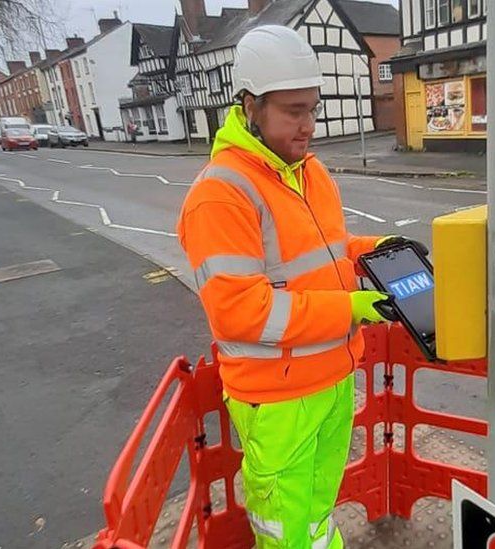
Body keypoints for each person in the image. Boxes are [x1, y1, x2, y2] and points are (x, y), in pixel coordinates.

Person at [177, 25, 425, 548]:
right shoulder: (221, 195)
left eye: (313, 108)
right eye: (294, 111)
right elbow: (243, 312)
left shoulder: (308, 172)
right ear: (250, 106)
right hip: (278, 400)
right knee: (288, 533)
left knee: (314, 516)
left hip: (331, 380)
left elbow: (330, 250)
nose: (309, 125)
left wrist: (379, 250)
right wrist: (354, 307)